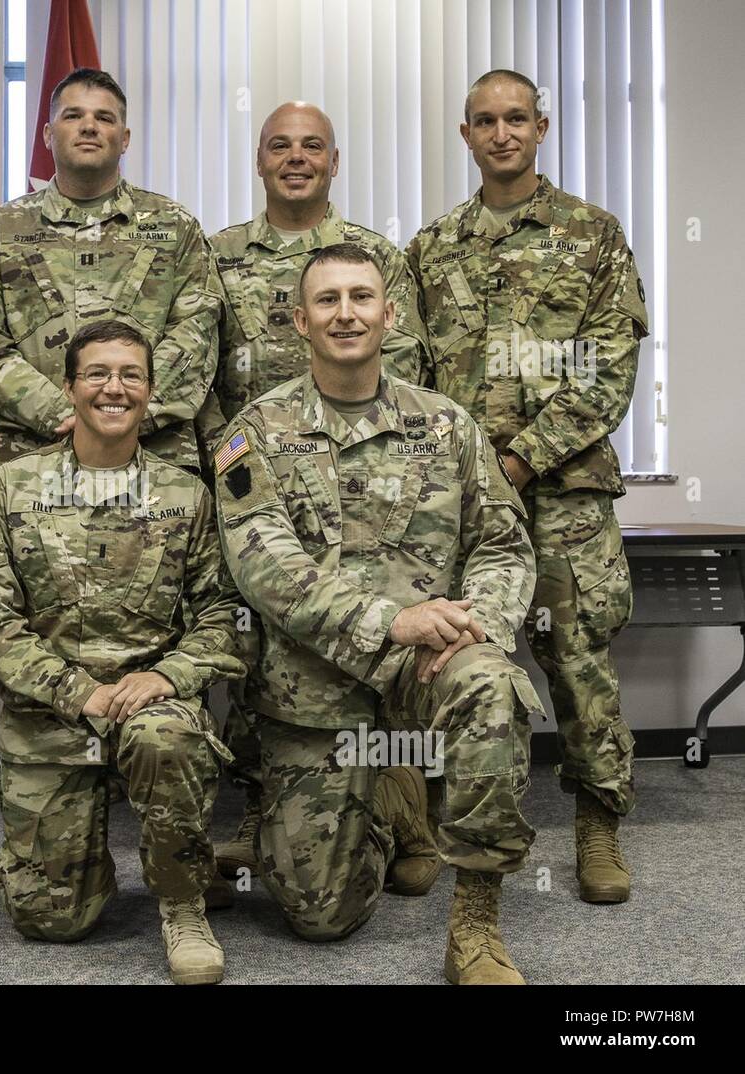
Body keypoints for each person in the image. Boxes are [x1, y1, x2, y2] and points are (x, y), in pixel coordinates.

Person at [216, 243, 545, 984]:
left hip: (430, 666)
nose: (346, 313)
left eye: (361, 297)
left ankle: (477, 926)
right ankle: (395, 804)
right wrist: (392, 623)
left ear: (390, 315)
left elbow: (504, 546)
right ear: (300, 321)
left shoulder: (448, 426)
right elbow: (265, 566)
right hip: (317, 690)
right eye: (327, 300)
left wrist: (475, 630)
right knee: (320, 917)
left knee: (491, 684)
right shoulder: (256, 431)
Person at [406, 69, 648, 904]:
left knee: (578, 663)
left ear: (542, 128)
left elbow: (610, 369)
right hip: (460, 503)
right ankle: (436, 819)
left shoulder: (595, 236)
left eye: (516, 119)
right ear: (465, 134)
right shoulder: (431, 247)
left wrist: (521, 459)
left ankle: (597, 822)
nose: (501, 133)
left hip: (564, 494)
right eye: (484, 121)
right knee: (450, 656)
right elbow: (412, 377)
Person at [0, 320, 254, 985]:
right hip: (51, 719)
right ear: (69, 388)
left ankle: (182, 901)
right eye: (97, 374)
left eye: (131, 376)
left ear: (150, 393)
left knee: (167, 734)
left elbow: (224, 620)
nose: (113, 388)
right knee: (51, 921)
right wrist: (79, 693)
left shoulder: (187, 495)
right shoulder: (11, 489)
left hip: (151, 709)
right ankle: (49, 855)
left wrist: (166, 676)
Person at [203, 101, 431, 877]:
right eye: (279, 146)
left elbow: (409, 376)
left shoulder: (375, 255)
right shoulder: (220, 255)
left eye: (312, 147)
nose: (295, 158)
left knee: (385, 631)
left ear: (335, 161)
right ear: (259, 160)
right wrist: (224, 469)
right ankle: (271, 808)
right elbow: (200, 374)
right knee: (262, 641)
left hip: (370, 484)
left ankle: (403, 810)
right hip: (259, 485)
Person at [0, 67, 221, 476]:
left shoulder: (174, 227)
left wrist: (119, 415)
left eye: (104, 118)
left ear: (125, 138)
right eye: (73, 115)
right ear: (47, 134)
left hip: (156, 466)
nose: (89, 127)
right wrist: (63, 412)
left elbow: (196, 335)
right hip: (34, 463)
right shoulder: (0, 230)